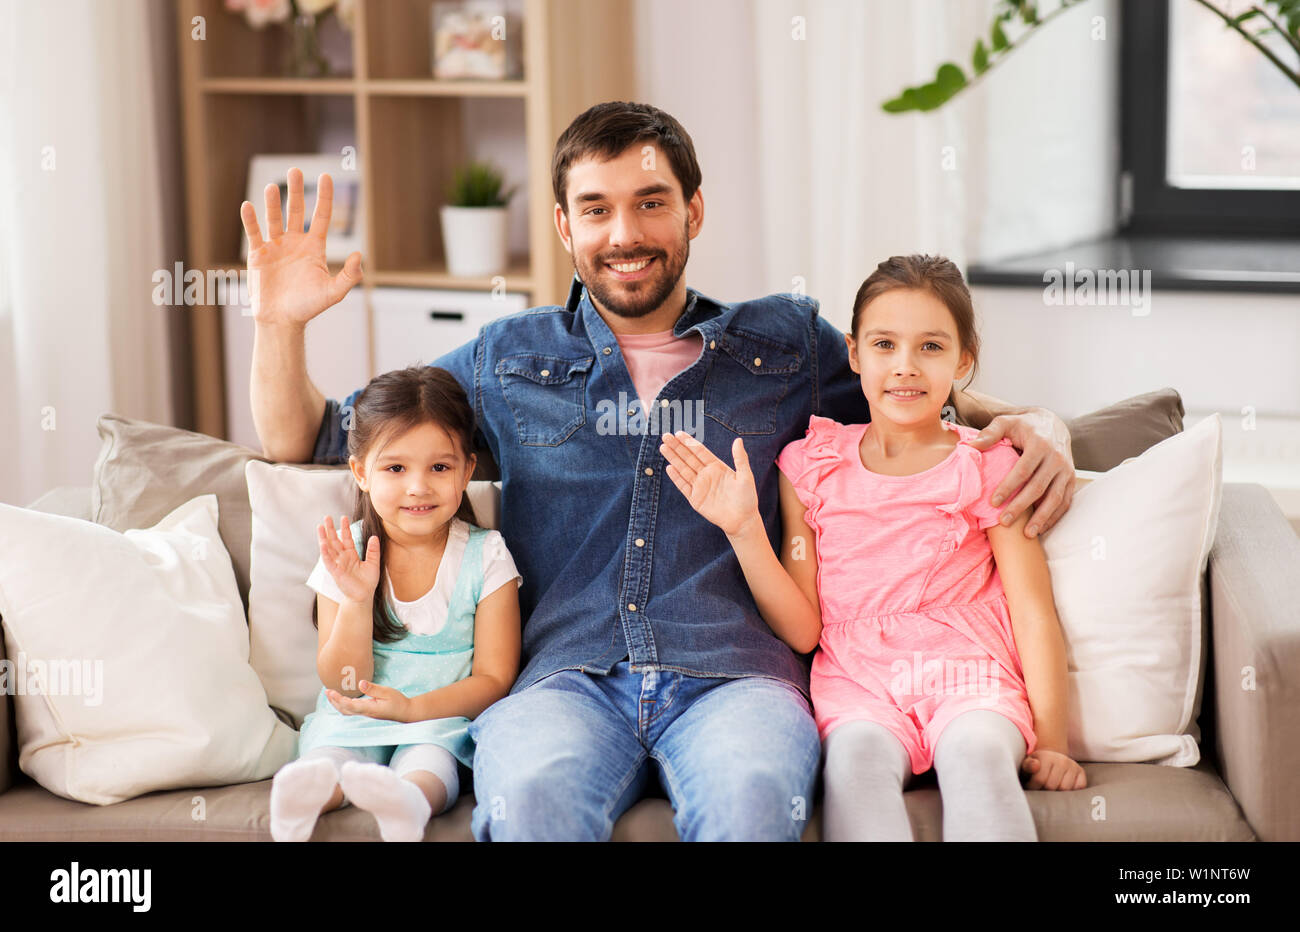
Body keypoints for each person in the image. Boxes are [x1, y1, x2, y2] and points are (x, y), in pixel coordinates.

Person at [243, 101, 1078, 841]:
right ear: (566, 229)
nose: (625, 234)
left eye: (650, 203)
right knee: (530, 799)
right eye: (596, 210)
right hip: (566, 678)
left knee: (756, 799)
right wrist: (278, 326)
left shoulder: (785, 346)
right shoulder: (509, 357)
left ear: (693, 211)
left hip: (737, 678)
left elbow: (913, 390)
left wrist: (1039, 427)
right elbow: (312, 436)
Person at [660, 254, 1085, 842]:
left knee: (979, 756)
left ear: (964, 359)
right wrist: (743, 530)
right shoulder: (810, 465)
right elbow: (805, 628)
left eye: (931, 347)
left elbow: (1034, 612)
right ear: (854, 353)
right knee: (855, 770)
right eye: (884, 344)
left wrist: (1055, 741)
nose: (905, 367)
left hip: (971, 675)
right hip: (860, 683)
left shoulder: (989, 463)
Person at [268, 366, 522, 842]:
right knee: (330, 758)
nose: (418, 487)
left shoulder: (486, 554)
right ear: (361, 472)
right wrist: (358, 600)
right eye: (396, 468)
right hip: (354, 719)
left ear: (467, 470)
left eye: (439, 468)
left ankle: (406, 805)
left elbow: (495, 679)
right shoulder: (346, 554)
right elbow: (339, 677)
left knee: (428, 764)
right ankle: (303, 800)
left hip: (434, 719)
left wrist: (411, 710)